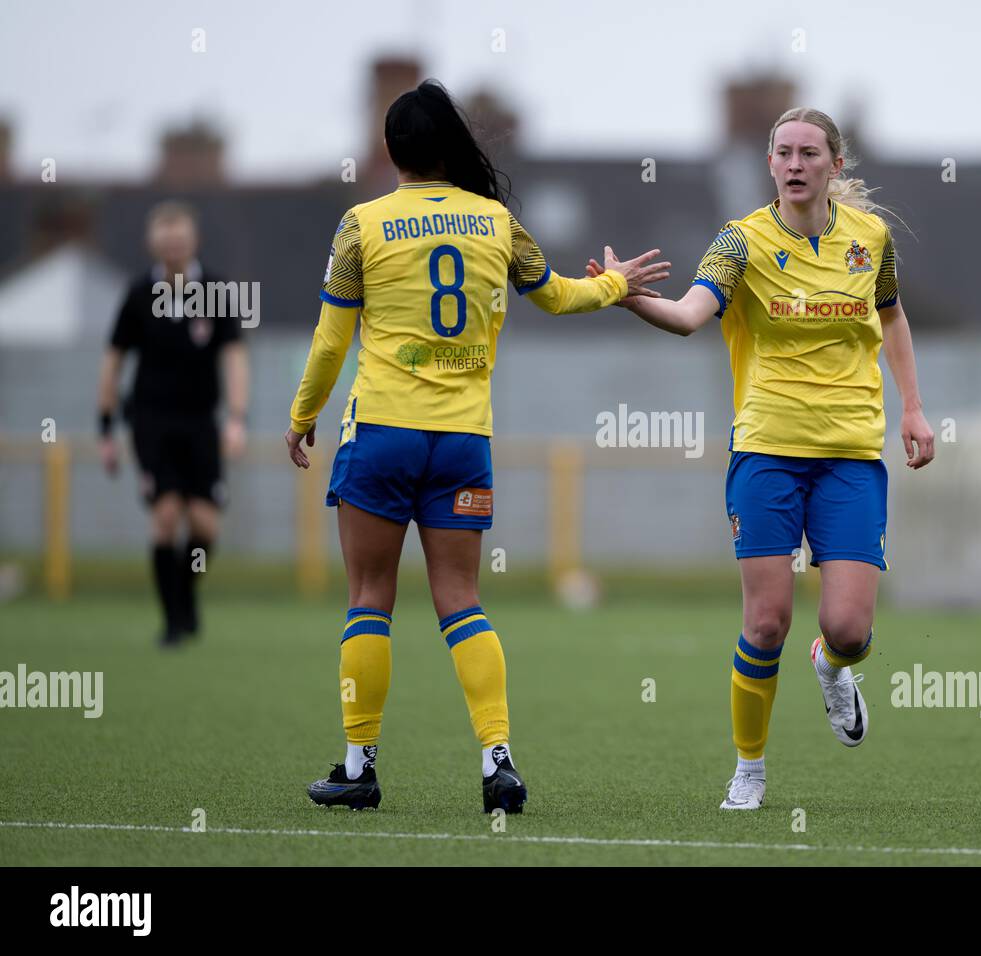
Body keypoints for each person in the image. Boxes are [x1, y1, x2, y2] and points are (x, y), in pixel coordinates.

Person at [285, 80, 669, 814]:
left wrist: (303, 416)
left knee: (370, 601)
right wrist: (617, 284)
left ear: (392, 149)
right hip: (464, 442)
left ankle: (358, 768)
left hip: (382, 436)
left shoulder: (360, 225)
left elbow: (332, 339)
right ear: (449, 145)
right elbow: (557, 295)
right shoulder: (495, 223)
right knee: (462, 602)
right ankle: (499, 762)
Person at [589, 107, 935, 810]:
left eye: (810, 152)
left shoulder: (871, 239)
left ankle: (833, 668)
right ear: (771, 164)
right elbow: (690, 314)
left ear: (836, 166)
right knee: (766, 620)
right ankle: (749, 769)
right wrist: (627, 298)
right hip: (766, 455)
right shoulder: (740, 243)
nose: (796, 163)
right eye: (784, 152)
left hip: (848, 457)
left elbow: (891, 314)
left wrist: (913, 407)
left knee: (849, 629)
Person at [97, 201, 249, 647]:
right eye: (164, 237)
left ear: (193, 240)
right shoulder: (138, 293)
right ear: (153, 243)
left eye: (180, 236)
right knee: (165, 515)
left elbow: (235, 358)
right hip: (150, 420)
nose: (173, 244)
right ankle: (172, 621)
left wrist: (237, 418)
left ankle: (186, 596)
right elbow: (113, 362)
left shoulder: (217, 290)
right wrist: (106, 428)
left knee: (204, 526)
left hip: (201, 421)